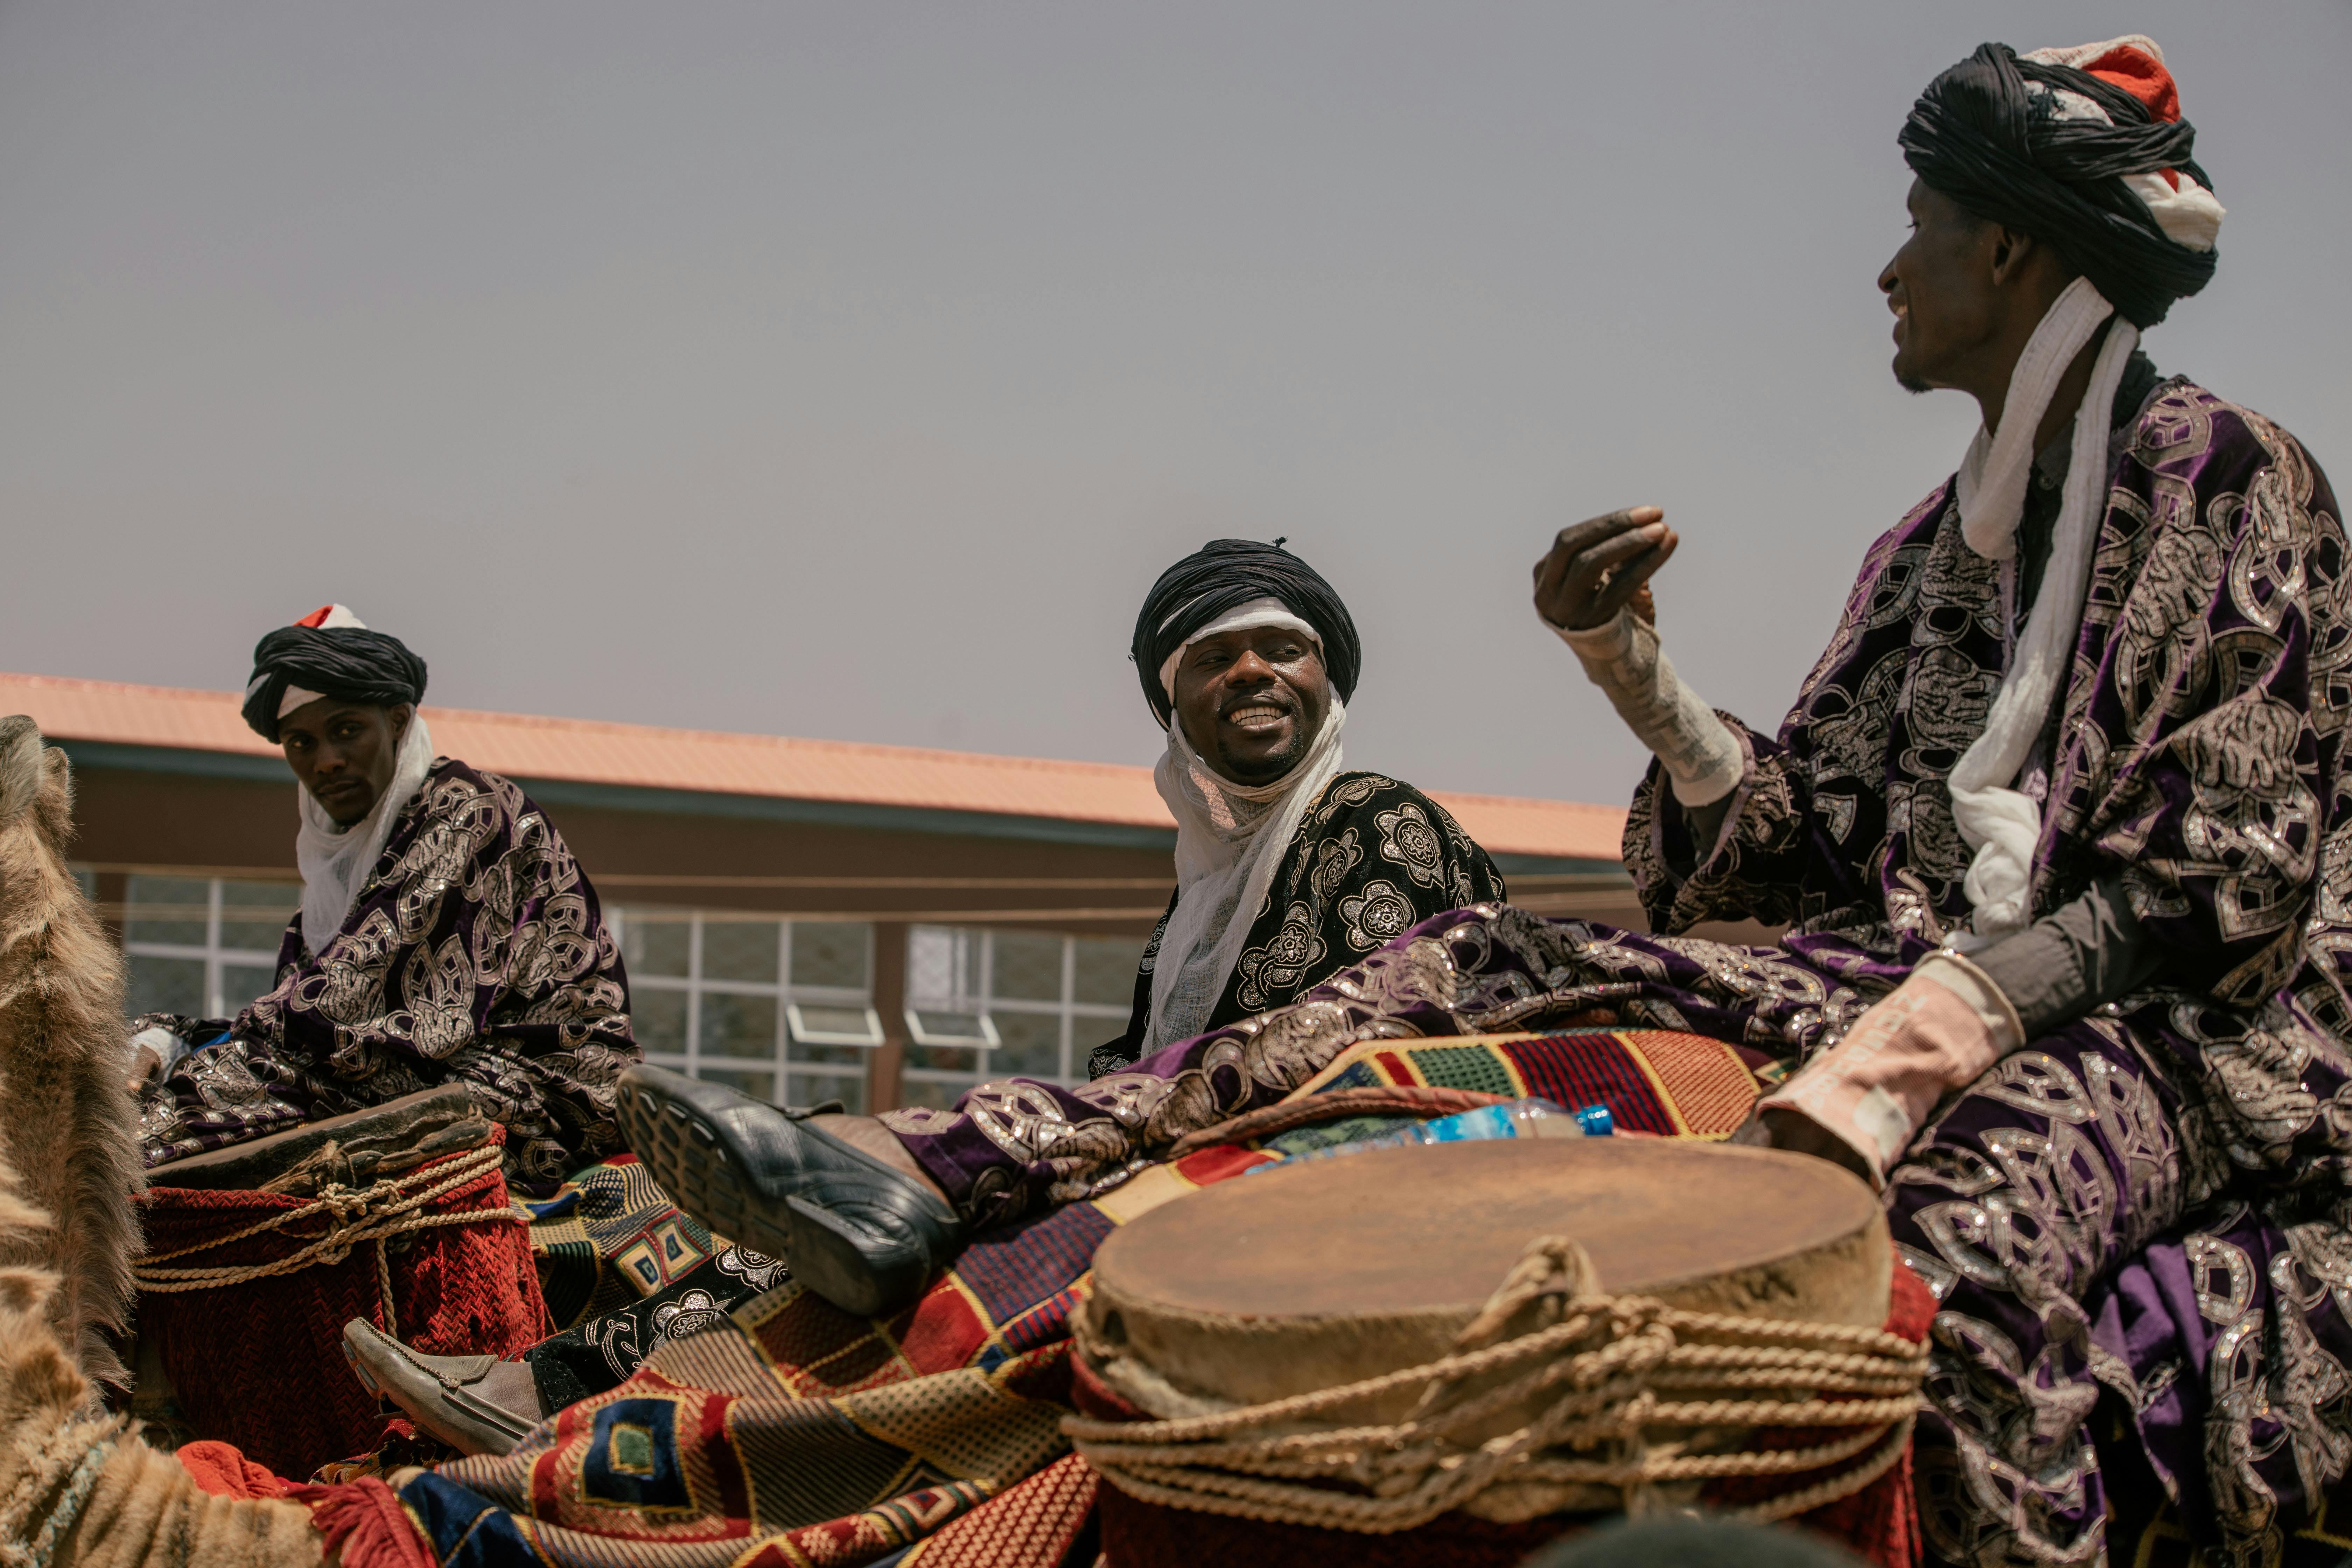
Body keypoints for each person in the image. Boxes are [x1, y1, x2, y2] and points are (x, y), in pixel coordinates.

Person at [615, 538, 1508, 1316]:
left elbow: (1339, 1062)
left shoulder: (1378, 821)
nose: (1251, 672)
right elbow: (1132, 1069)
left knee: (948, 1253)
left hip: (1330, 1189)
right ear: (1175, 706)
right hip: (1193, 1168)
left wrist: (1014, 1141)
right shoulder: (1195, 909)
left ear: (1327, 681)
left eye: (1283, 648)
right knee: (754, 1258)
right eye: (1212, 656)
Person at [136, 605, 638, 1194]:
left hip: (543, 1094)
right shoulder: (347, 867)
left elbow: (335, 1022)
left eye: (347, 730)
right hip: (416, 1069)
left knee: (175, 1133)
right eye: (301, 742)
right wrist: (166, 1039)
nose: (325, 761)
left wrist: (184, 1058)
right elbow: (303, 1026)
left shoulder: (464, 811)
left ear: (398, 721)